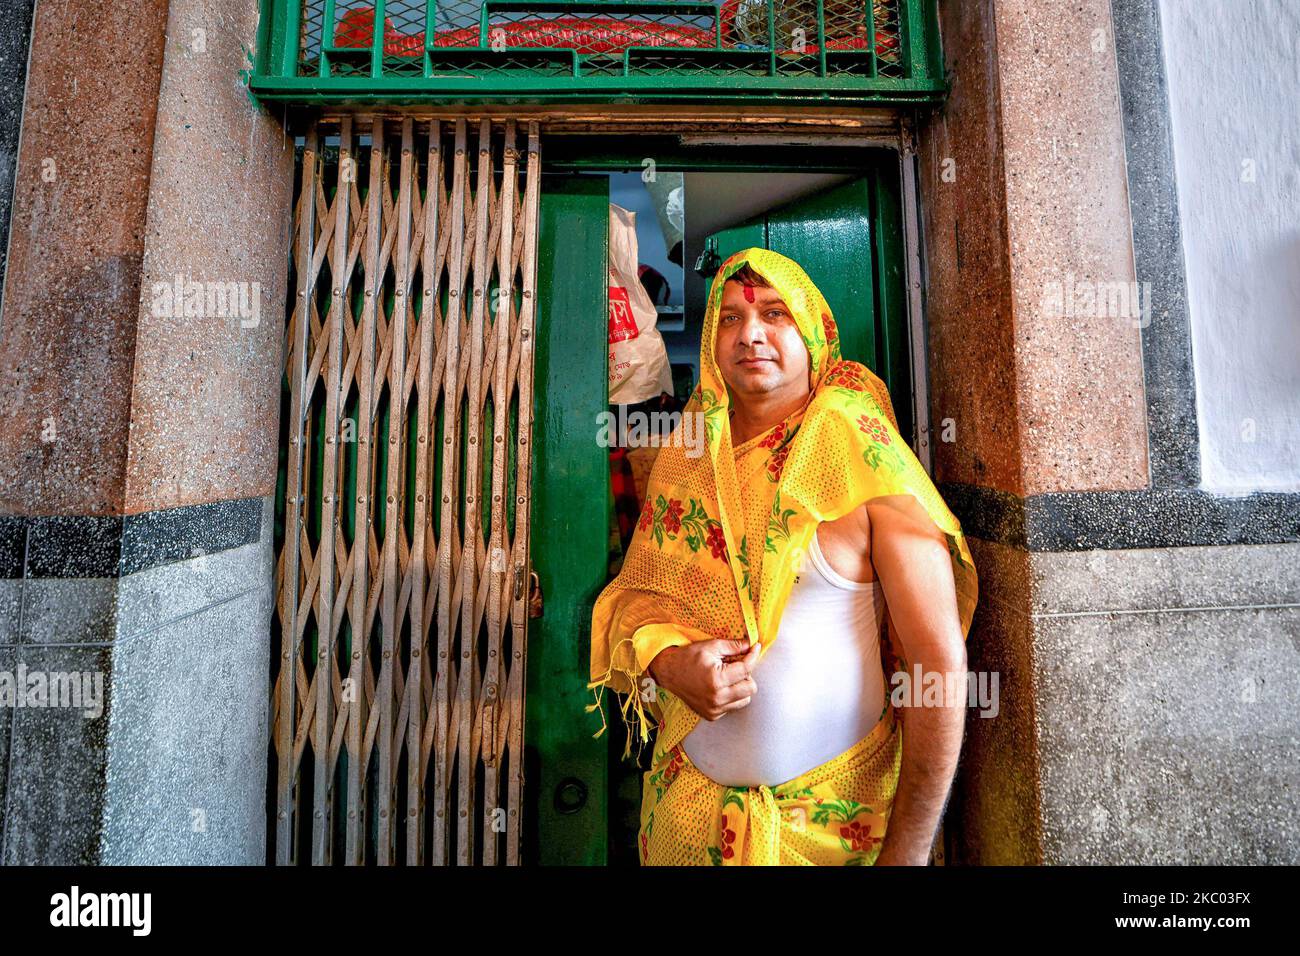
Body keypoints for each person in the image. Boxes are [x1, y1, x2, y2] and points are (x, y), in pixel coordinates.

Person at [587, 248, 978, 866]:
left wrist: (906, 854)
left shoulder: (859, 449)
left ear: (815, 334)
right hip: (685, 819)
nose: (751, 334)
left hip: (836, 834)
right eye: (731, 316)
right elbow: (637, 598)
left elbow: (937, 662)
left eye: (775, 313)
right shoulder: (688, 459)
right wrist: (667, 663)